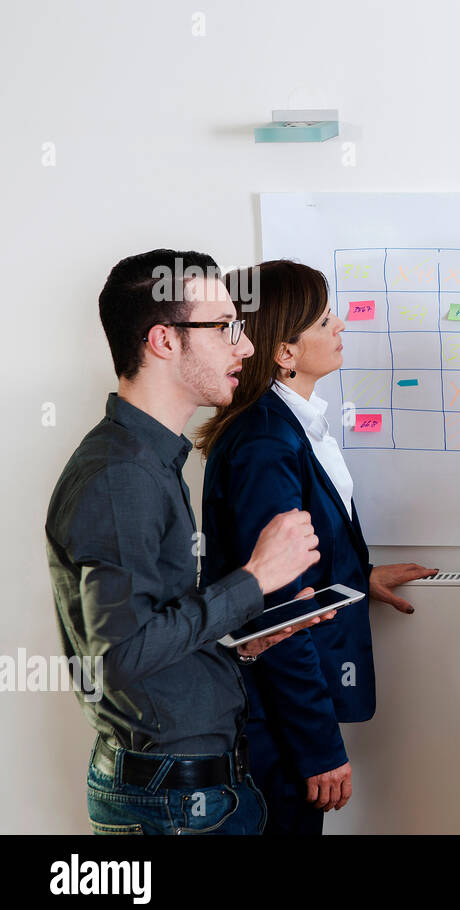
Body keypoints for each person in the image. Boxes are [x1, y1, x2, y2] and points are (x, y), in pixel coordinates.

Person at [46, 249, 330, 836]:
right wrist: (255, 578)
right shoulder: (120, 475)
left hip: (193, 791)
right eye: (225, 329)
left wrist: (242, 642)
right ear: (164, 342)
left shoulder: (151, 459)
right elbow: (119, 657)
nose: (245, 347)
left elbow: (153, 636)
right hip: (174, 802)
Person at [198, 260, 436, 835]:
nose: (341, 326)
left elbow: (303, 553)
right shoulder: (264, 441)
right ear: (284, 351)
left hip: (281, 715)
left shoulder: (293, 424)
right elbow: (275, 609)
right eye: (325, 319)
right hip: (274, 722)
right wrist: (319, 748)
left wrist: (358, 576)